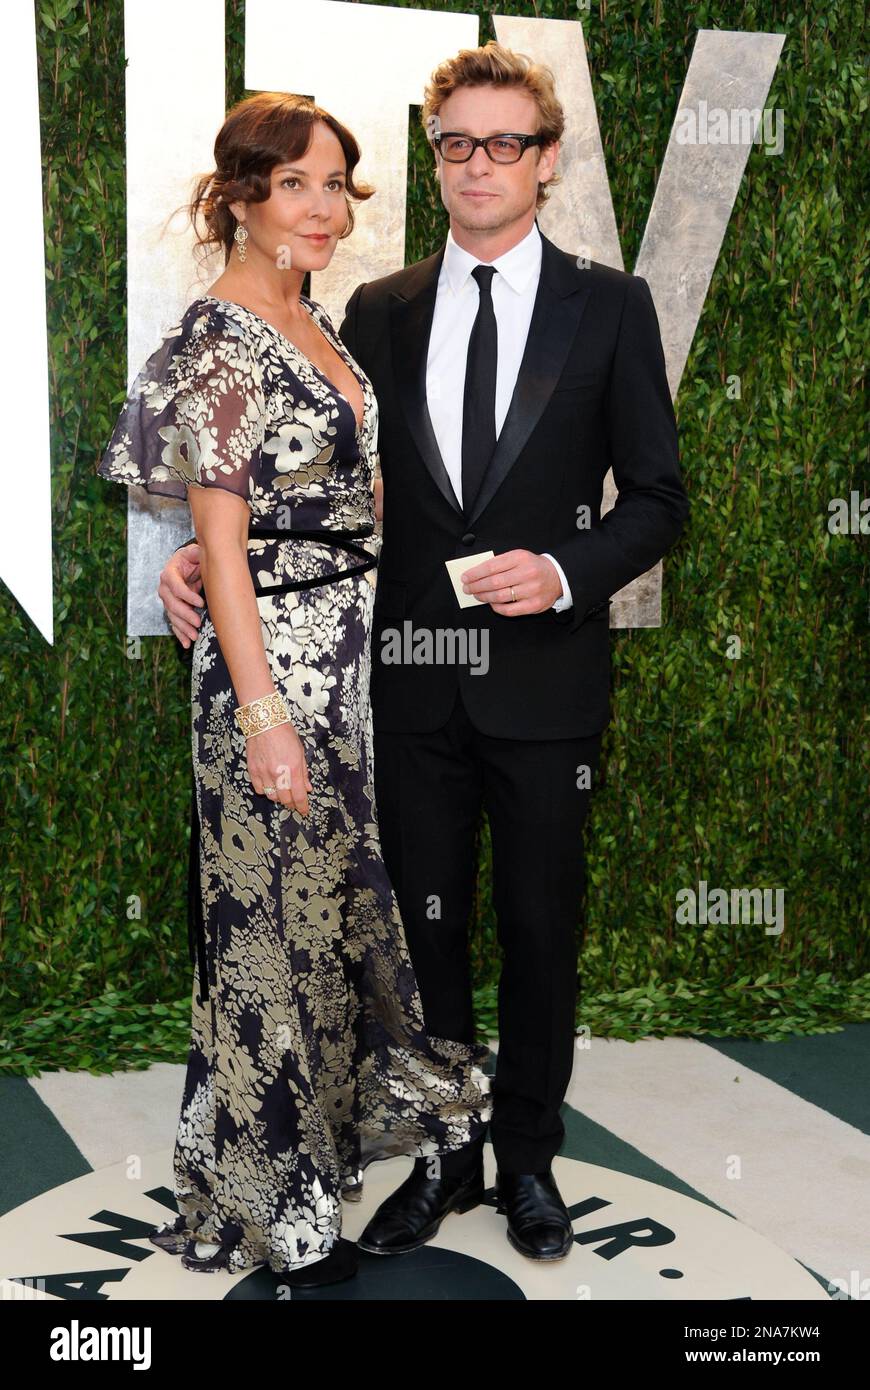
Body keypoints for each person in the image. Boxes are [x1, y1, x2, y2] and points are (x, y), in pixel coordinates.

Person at [161, 42, 689, 1264]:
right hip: (394, 684)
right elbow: (318, 491)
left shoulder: (611, 306)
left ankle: (532, 1158)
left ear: (546, 161)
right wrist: (200, 553)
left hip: (548, 685)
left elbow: (657, 497)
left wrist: (562, 571)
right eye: (455, 143)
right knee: (423, 934)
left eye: (505, 143)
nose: (478, 166)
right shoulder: (376, 309)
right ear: (435, 155)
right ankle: (446, 1156)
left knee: (543, 927)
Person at [97, 89, 492, 1289]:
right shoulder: (223, 333)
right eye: (300, 185)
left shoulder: (314, 320)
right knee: (268, 933)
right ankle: (287, 1218)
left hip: (346, 669)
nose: (325, 208)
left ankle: (286, 1171)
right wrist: (262, 711)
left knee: (318, 925)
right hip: (270, 681)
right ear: (246, 198)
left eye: (337, 185)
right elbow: (220, 540)